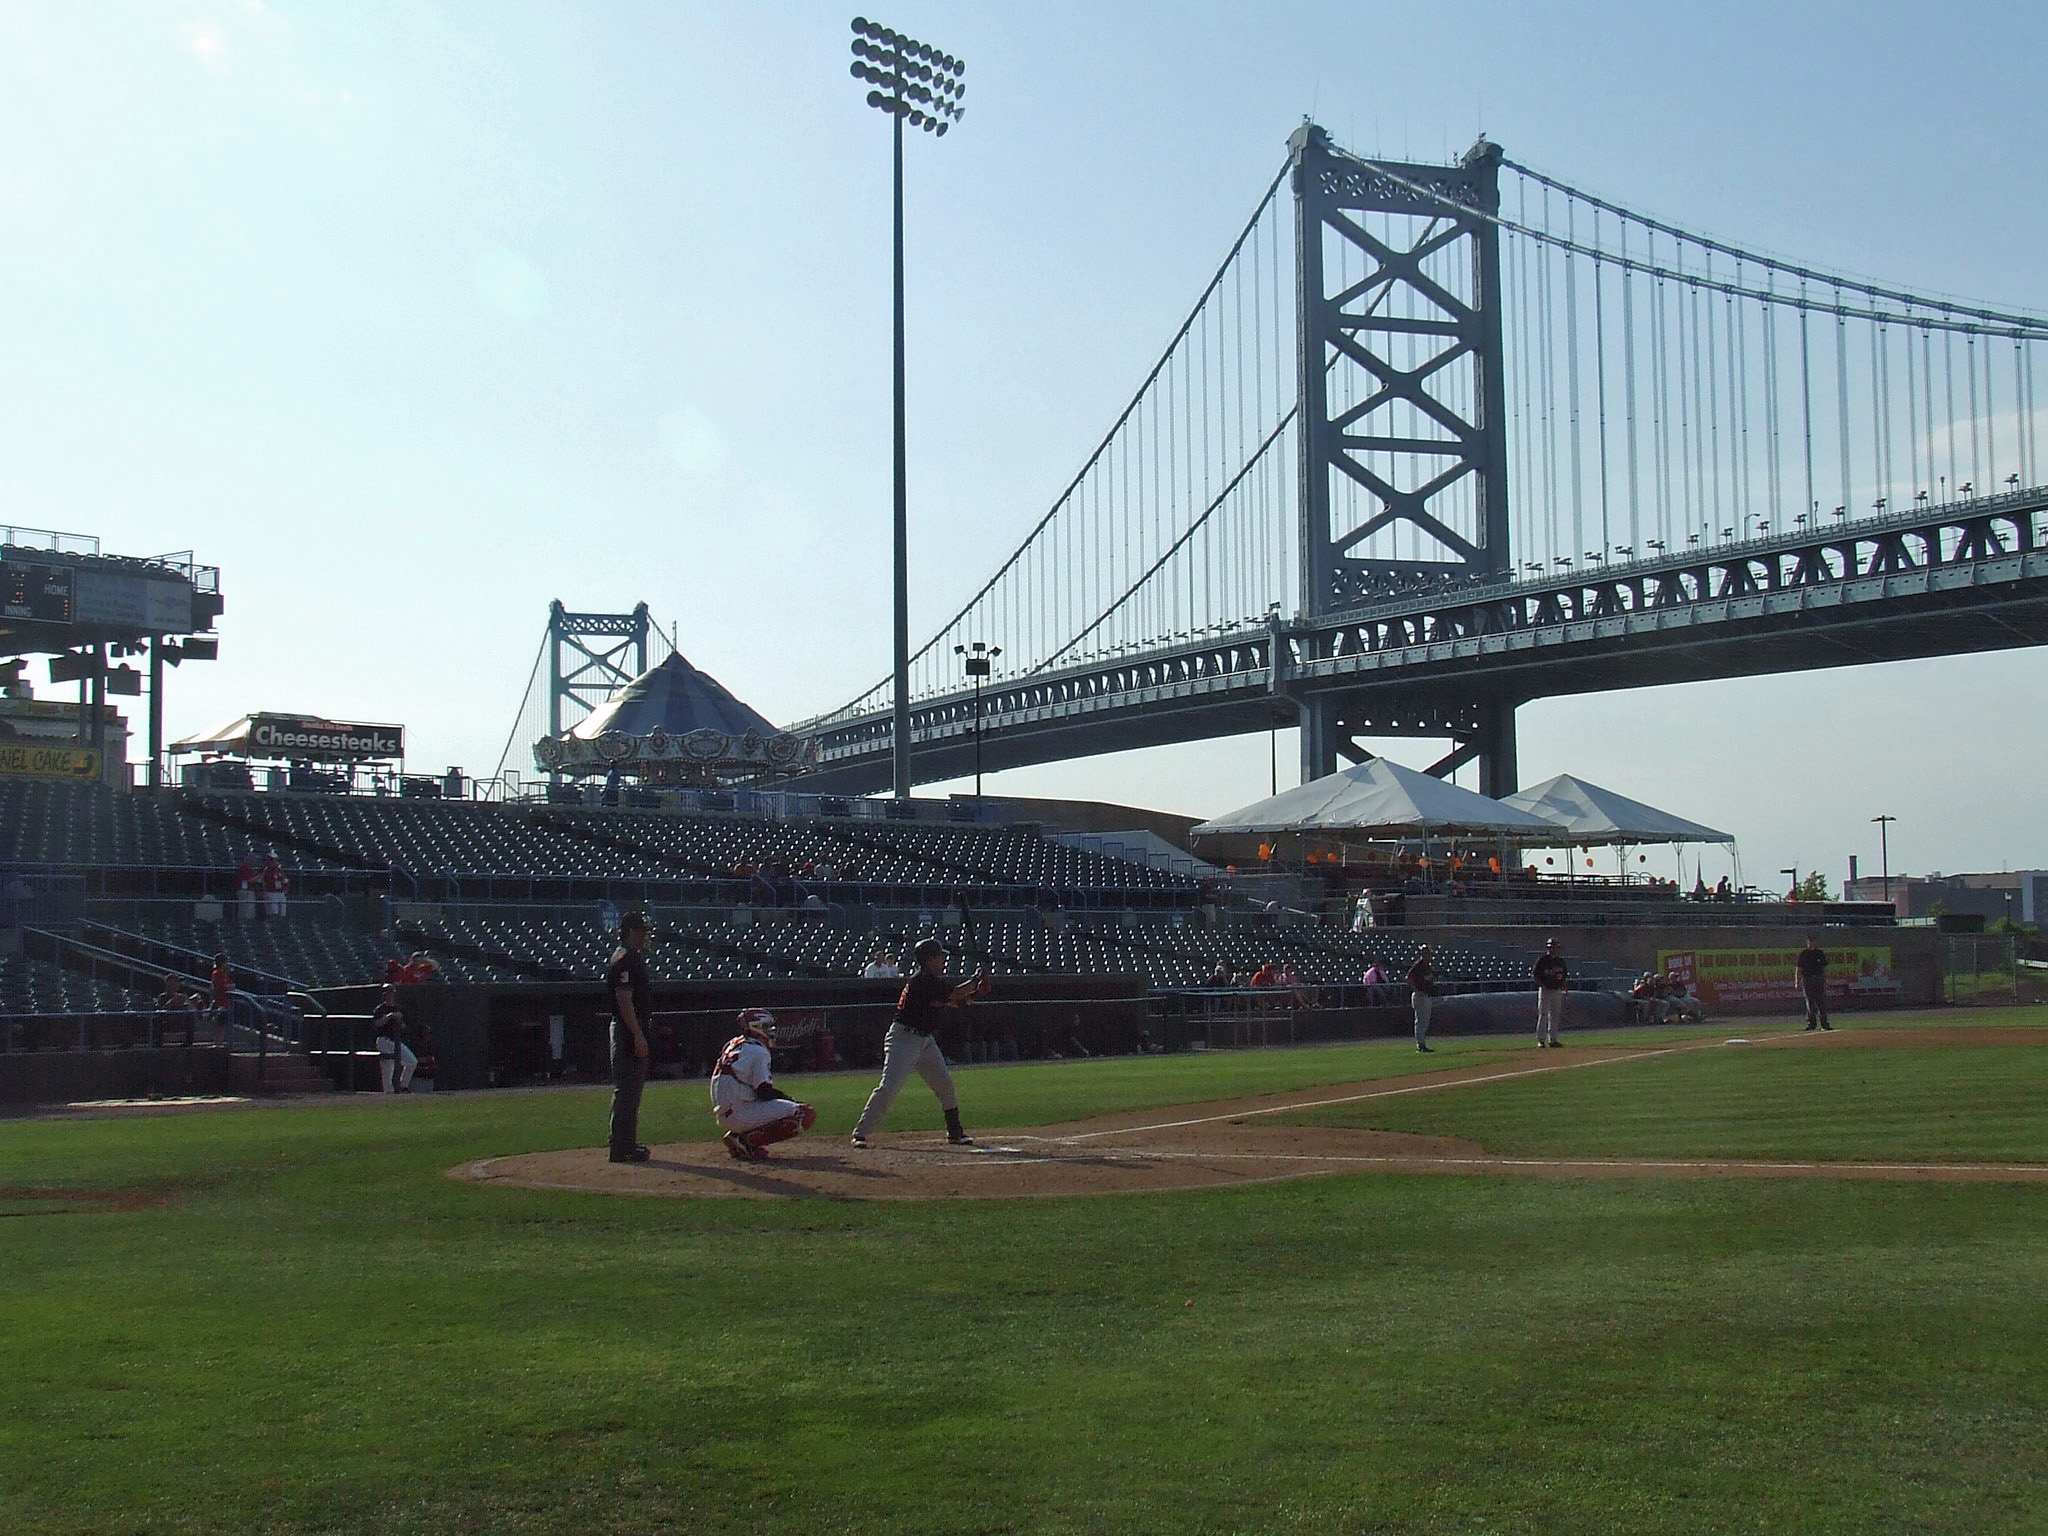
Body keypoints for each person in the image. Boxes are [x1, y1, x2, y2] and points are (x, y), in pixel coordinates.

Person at [850, 937, 986, 1149]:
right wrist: (975, 981)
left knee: (945, 1085)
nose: (942, 960)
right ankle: (860, 1132)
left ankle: (955, 1132)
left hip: (925, 1041)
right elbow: (956, 993)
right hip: (903, 1040)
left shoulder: (931, 982)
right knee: (889, 1087)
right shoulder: (923, 980)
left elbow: (957, 1002)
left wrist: (976, 993)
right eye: (939, 957)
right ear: (929, 959)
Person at [710, 1008, 817, 1162]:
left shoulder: (733, 1044)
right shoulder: (758, 1051)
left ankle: (738, 1136)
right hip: (739, 1113)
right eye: (766, 1026)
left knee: (780, 1106)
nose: (770, 1030)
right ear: (755, 1027)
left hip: (729, 1110)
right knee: (805, 1114)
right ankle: (746, 1142)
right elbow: (764, 1092)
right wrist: (791, 1100)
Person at [605, 912, 655, 1163]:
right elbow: (624, 1000)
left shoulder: (627, 956)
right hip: (627, 1030)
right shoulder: (625, 958)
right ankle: (621, 1146)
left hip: (628, 1029)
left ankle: (625, 1144)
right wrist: (638, 1035)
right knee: (627, 1091)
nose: (645, 936)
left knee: (630, 1092)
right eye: (642, 931)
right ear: (632, 932)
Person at [373, 988, 417, 1093]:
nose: (390, 995)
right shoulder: (380, 1009)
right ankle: (388, 1093)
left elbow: (404, 1026)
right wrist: (389, 1016)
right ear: (384, 995)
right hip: (383, 1039)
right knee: (388, 1067)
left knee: (412, 1061)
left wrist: (399, 1018)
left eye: (392, 993)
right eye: (388, 993)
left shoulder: (398, 1008)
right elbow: (377, 1023)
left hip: (395, 1040)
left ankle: (403, 1086)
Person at [1532, 937, 1568, 1048]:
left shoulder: (1560, 961)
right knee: (1543, 1015)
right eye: (1551, 947)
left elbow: (1563, 976)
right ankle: (1541, 1040)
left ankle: (1553, 1039)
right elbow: (1534, 974)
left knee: (1555, 1015)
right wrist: (1542, 986)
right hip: (1545, 990)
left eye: (1555, 947)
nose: (1553, 949)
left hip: (1556, 990)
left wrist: (1565, 988)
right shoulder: (1543, 960)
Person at [1795, 934, 1833, 1031]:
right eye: (1810, 941)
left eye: (1813, 941)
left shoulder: (1819, 953)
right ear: (1807, 943)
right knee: (1810, 1002)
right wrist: (1797, 981)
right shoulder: (1803, 954)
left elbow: (1824, 968)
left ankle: (1824, 1024)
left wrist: (1825, 980)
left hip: (1818, 979)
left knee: (1821, 1002)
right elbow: (1799, 968)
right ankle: (1811, 1024)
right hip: (1807, 979)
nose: (1812, 943)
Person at [1406, 945, 1439, 1052]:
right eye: (1426, 953)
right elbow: (1409, 978)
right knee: (1420, 1021)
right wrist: (1416, 990)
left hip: (1427, 995)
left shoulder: (1427, 966)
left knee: (1425, 1021)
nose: (1429, 956)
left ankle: (1422, 1043)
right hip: (1420, 996)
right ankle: (1420, 1045)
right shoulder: (1418, 966)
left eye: (1429, 953)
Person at [153, 973, 200, 1047]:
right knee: (157, 1020)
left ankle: (189, 1042)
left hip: (180, 1020)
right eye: (176, 982)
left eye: (178, 982)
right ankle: (158, 1042)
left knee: (190, 1016)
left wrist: (192, 1003)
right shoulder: (163, 996)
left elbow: (191, 1009)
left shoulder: (182, 996)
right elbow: (160, 1010)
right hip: (168, 1021)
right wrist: (171, 1002)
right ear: (169, 983)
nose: (178, 984)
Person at [260, 855, 289, 920]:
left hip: (281, 893)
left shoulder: (280, 870)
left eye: (274, 860)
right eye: (271, 860)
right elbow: (262, 881)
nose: (273, 862)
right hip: (271, 893)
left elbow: (285, 880)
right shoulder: (266, 870)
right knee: (273, 913)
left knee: (282, 913)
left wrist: (286, 888)